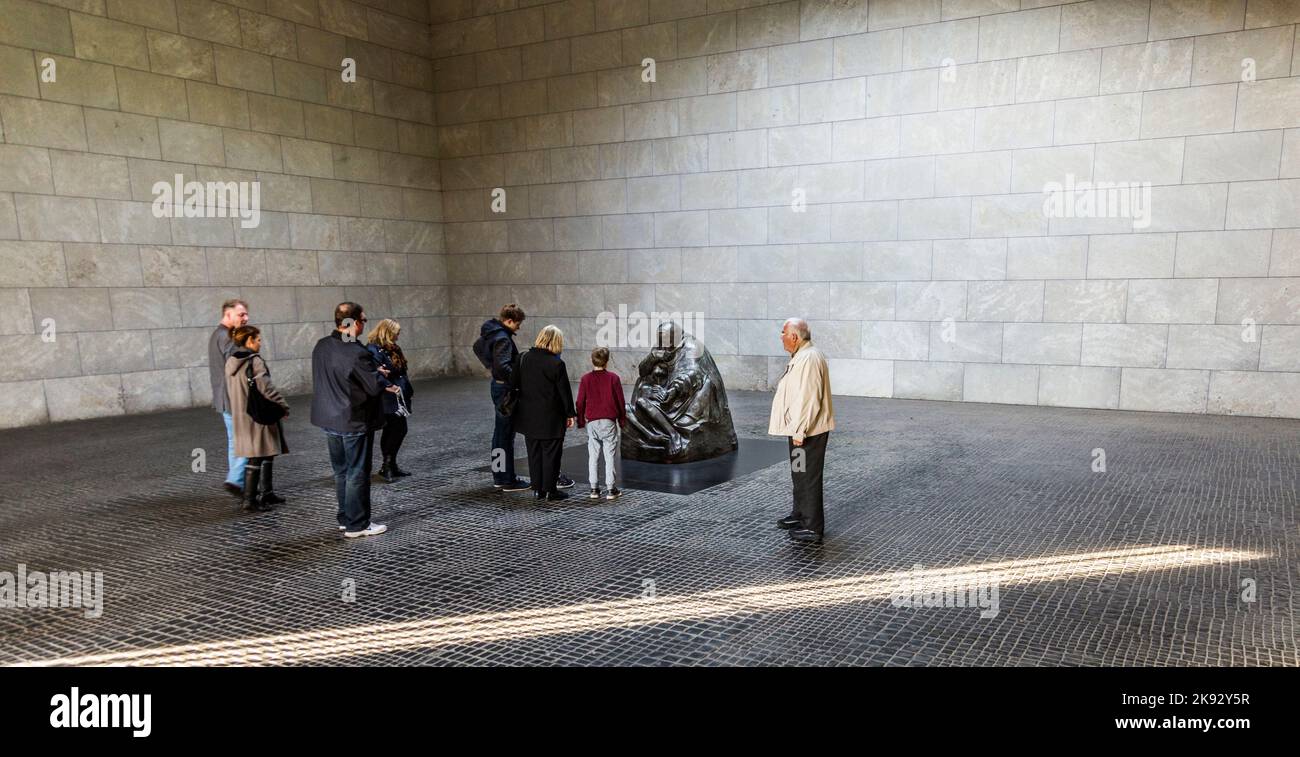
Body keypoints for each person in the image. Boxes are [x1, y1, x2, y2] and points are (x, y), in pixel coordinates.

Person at [474, 304, 573, 492]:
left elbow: (477, 347)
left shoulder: (490, 333)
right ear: (509, 320)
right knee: (504, 435)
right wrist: (519, 377)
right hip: (505, 389)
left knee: (500, 435)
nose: (518, 328)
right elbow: (504, 365)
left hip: (498, 386)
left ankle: (500, 475)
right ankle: (505, 479)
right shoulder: (502, 338)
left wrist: (491, 367)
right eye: (517, 324)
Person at [311, 302, 389, 538]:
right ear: (354, 322)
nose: (364, 325)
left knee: (342, 472)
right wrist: (380, 376)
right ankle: (358, 524)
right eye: (364, 320)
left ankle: (346, 518)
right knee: (357, 473)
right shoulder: (356, 352)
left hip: (330, 419)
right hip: (353, 420)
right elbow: (373, 387)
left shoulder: (322, 346)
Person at [768, 318, 834, 544]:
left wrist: (799, 431)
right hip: (798, 429)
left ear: (794, 337)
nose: (781, 337)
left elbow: (809, 399)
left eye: (783, 333)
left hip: (807, 432)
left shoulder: (809, 358)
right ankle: (800, 514)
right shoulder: (801, 355)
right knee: (799, 472)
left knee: (808, 476)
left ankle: (812, 527)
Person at [224, 325, 290, 512]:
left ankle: (267, 493)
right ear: (250, 340)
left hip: (242, 414)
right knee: (256, 457)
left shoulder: (231, 362)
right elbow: (266, 388)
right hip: (258, 415)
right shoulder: (255, 361)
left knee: (266, 452)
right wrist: (283, 405)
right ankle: (250, 500)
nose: (260, 343)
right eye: (258, 339)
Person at [511, 325, 577, 502]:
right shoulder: (556, 363)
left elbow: (513, 384)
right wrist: (570, 414)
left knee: (534, 453)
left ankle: (537, 489)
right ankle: (550, 490)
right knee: (551, 454)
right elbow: (564, 392)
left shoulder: (523, 358)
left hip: (528, 416)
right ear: (556, 342)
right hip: (551, 417)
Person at [210, 298, 249, 496]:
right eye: (241, 314)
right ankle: (235, 479)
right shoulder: (227, 337)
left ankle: (237, 481)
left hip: (224, 398)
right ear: (228, 314)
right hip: (234, 398)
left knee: (235, 441)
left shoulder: (217, 334)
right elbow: (235, 365)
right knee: (247, 440)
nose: (246, 318)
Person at [366, 319, 414, 482]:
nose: (398, 336)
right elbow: (372, 372)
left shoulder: (394, 348)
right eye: (396, 333)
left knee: (397, 429)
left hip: (399, 394)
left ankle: (391, 464)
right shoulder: (373, 349)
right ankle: (387, 465)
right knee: (396, 429)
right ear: (388, 332)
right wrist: (385, 380)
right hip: (387, 395)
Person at [575, 346, 626, 500]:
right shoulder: (613, 378)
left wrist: (580, 420)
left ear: (592, 360)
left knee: (593, 455)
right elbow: (620, 402)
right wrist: (622, 420)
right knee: (609, 455)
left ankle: (594, 488)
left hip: (592, 421)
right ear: (607, 361)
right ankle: (611, 489)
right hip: (608, 421)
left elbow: (579, 402)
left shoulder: (585, 379)